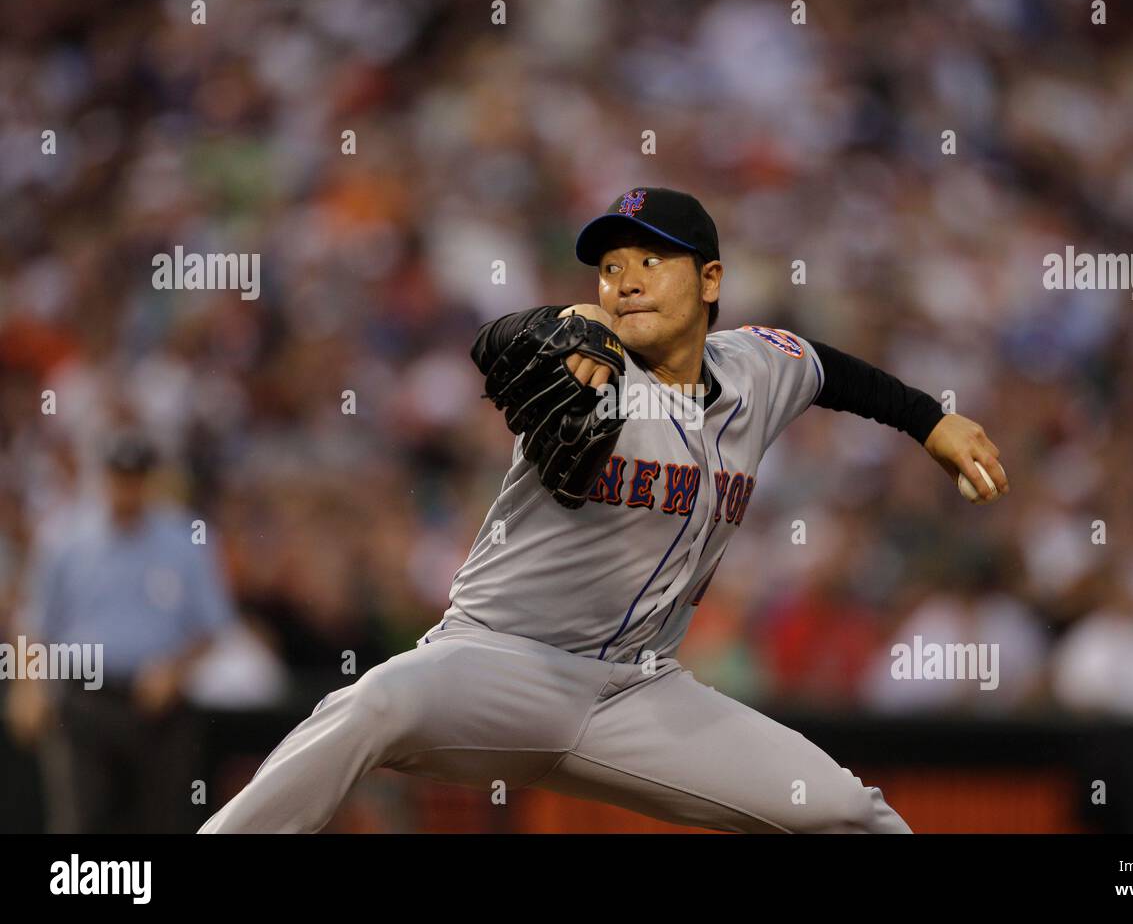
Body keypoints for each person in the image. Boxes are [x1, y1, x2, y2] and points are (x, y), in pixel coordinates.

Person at [200, 187, 1008, 834]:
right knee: (372, 704)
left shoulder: (759, 368)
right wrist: (560, 326)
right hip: (498, 664)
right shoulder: (587, 363)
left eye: (651, 260)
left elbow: (829, 369)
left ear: (712, 281)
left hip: (641, 693)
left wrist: (929, 420)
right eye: (611, 265)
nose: (624, 278)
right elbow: (499, 344)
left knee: (843, 809)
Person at [6, 430, 236, 832]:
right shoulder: (65, 538)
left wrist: (176, 669)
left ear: (150, 480)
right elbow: (33, 621)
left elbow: (212, 626)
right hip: (84, 698)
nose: (126, 487)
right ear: (103, 477)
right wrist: (29, 685)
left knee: (161, 821)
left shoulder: (185, 540)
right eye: (118, 475)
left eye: (136, 476)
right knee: (79, 823)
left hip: (158, 705)